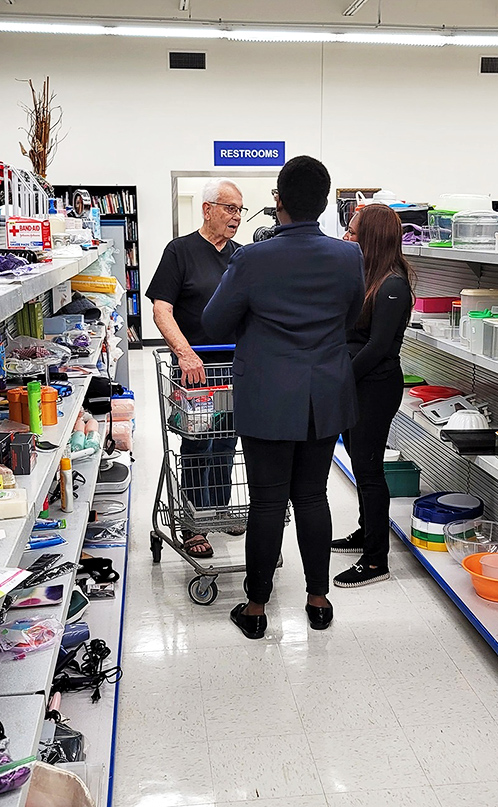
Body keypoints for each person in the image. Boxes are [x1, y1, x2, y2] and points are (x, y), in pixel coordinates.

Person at [202, 155, 365, 639]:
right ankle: (318, 601)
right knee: (313, 496)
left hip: (268, 395)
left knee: (269, 503)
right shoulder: (347, 256)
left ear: (279, 202)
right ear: (324, 202)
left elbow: (213, 322)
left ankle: (255, 608)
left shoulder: (252, 258)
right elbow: (352, 315)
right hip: (324, 394)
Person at [145, 178, 247, 559]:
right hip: (194, 371)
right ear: (208, 209)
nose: (236, 216)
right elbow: (161, 308)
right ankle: (191, 522)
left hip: (234, 368)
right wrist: (186, 355)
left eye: (240, 209)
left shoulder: (240, 255)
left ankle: (219, 508)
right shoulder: (181, 251)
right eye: (229, 208)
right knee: (196, 442)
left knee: (227, 440)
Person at [331, 204, 415, 587]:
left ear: (372, 238)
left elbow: (379, 346)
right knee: (360, 463)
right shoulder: (367, 277)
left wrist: (341, 377)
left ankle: (376, 559)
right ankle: (366, 532)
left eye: (352, 232)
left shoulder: (393, 285)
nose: (347, 237)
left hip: (375, 387)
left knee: (369, 470)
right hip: (356, 385)